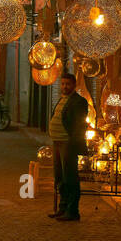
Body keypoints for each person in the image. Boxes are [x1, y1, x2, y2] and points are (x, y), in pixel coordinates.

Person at [48, 72, 88, 222]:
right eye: (63, 84)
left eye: (68, 84)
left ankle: (72, 211)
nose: (65, 86)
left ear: (74, 85)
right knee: (59, 176)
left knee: (70, 177)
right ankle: (62, 208)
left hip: (67, 144)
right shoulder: (62, 99)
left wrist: (73, 142)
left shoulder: (79, 102)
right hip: (57, 142)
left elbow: (79, 125)